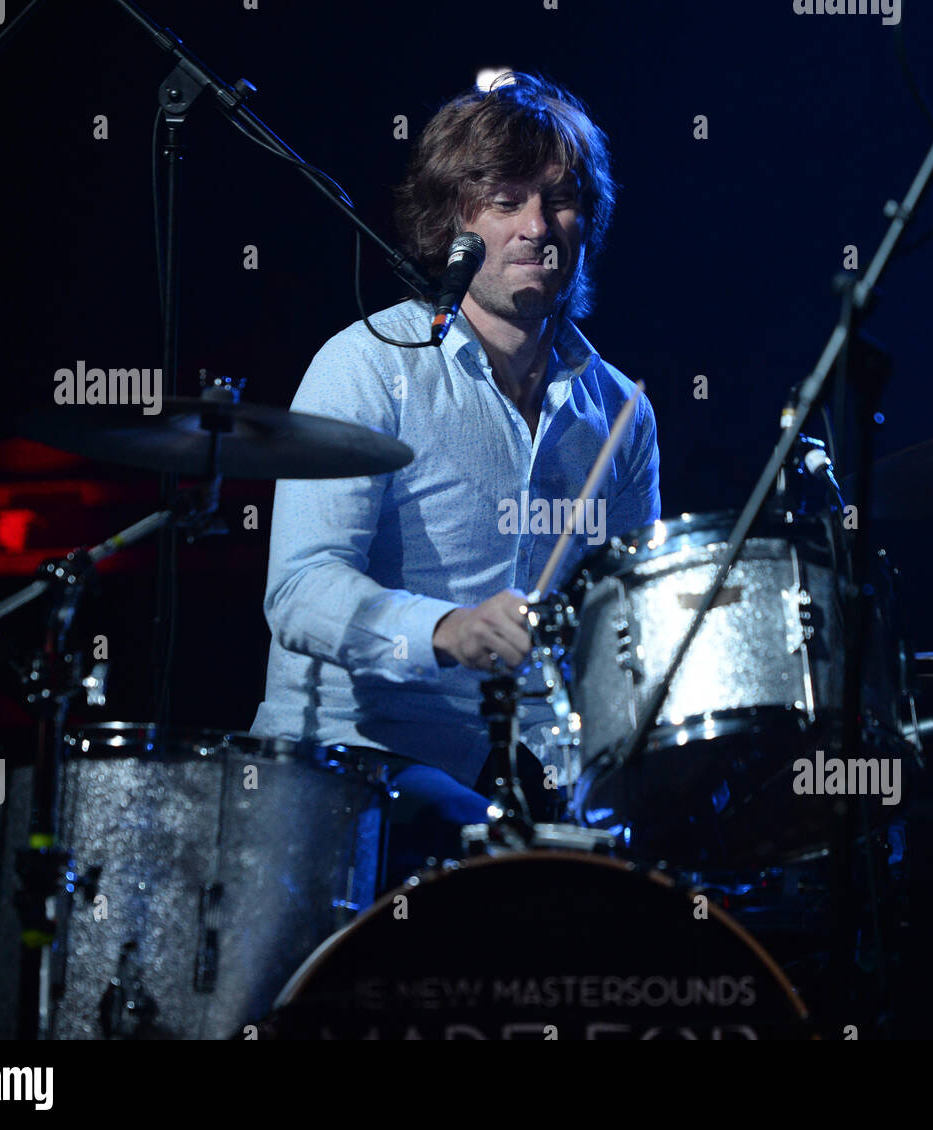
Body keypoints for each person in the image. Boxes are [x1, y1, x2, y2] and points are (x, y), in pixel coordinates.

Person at [250, 71, 660, 888]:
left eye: (561, 199)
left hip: (528, 777)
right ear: (452, 226)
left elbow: (628, 629)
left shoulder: (623, 413)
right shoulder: (367, 367)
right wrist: (448, 630)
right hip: (354, 764)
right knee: (508, 872)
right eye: (506, 200)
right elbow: (299, 588)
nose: (539, 227)